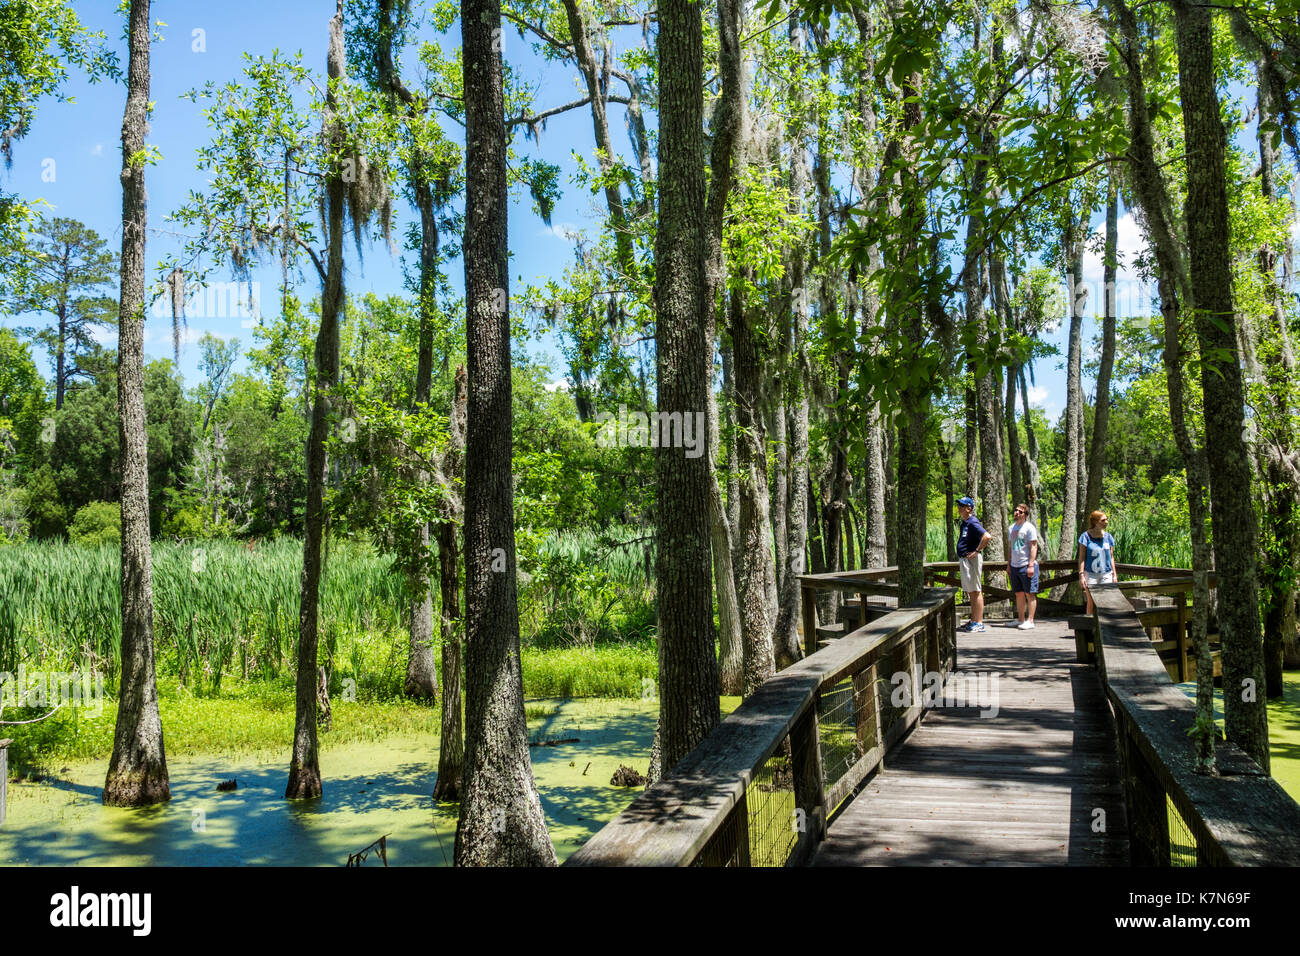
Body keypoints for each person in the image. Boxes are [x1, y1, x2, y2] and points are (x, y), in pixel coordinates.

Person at [955, 496, 992, 632]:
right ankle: (973, 620)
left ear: (969, 508)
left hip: (972, 560)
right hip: (965, 559)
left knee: (976, 591)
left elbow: (987, 536)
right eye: (959, 505)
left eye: (962, 506)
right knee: (971, 591)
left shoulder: (972, 522)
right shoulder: (964, 523)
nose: (959, 508)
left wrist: (977, 550)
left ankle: (979, 623)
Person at [1078, 510, 1117, 615]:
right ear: (1096, 522)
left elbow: (1111, 557)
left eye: (1107, 519)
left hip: (1107, 573)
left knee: (1106, 600)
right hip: (1091, 574)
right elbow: (1082, 558)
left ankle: (1106, 625)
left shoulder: (1108, 537)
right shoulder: (1085, 537)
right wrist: (1081, 575)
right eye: (1103, 520)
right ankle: (1089, 626)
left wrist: (1114, 574)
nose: (1106, 522)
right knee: (1091, 600)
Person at [1007, 503, 1039, 629]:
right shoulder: (1011, 528)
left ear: (1025, 515)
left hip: (1026, 564)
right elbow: (1010, 548)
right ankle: (1020, 619)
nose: (1016, 513)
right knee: (1018, 593)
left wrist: (1031, 565)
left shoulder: (1029, 528)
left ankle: (1030, 620)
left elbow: (1033, 546)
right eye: (1015, 510)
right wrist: (1009, 564)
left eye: (1020, 511)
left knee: (1029, 593)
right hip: (1014, 565)